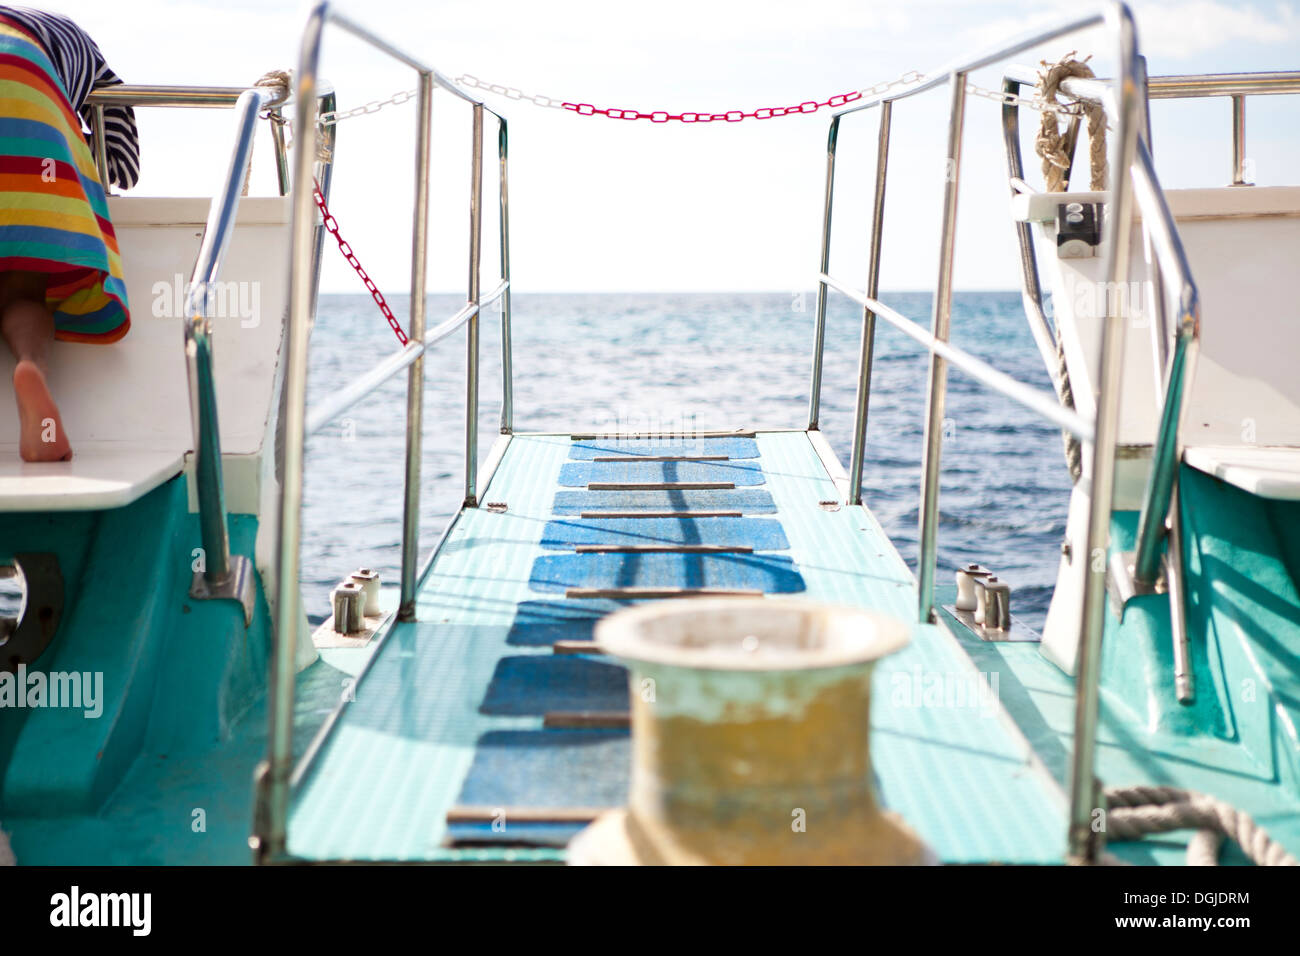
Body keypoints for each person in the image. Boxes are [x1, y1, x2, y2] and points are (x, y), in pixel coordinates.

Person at [0, 7, 138, 461]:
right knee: (24, 289)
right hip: (24, 82)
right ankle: (29, 365)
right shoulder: (73, 45)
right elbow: (122, 164)